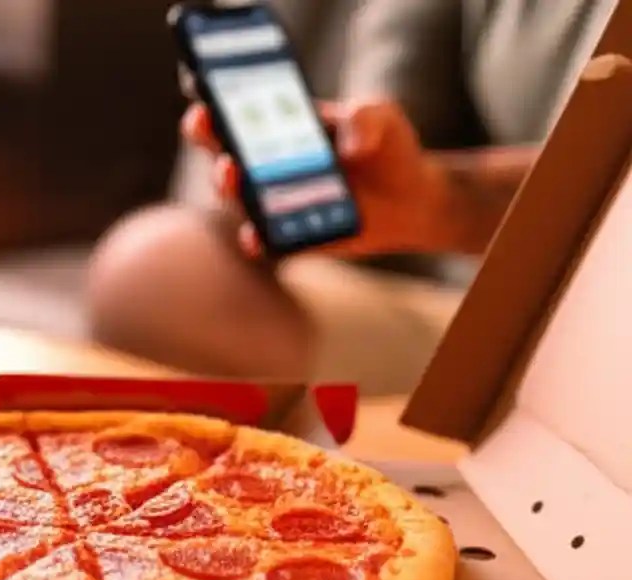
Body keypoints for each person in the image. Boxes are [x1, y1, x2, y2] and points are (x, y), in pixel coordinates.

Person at [85, 0, 619, 394]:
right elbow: (395, 101)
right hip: (454, 288)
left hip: (588, 324)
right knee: (157, 265)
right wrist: (421, 192)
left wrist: (447, 206)